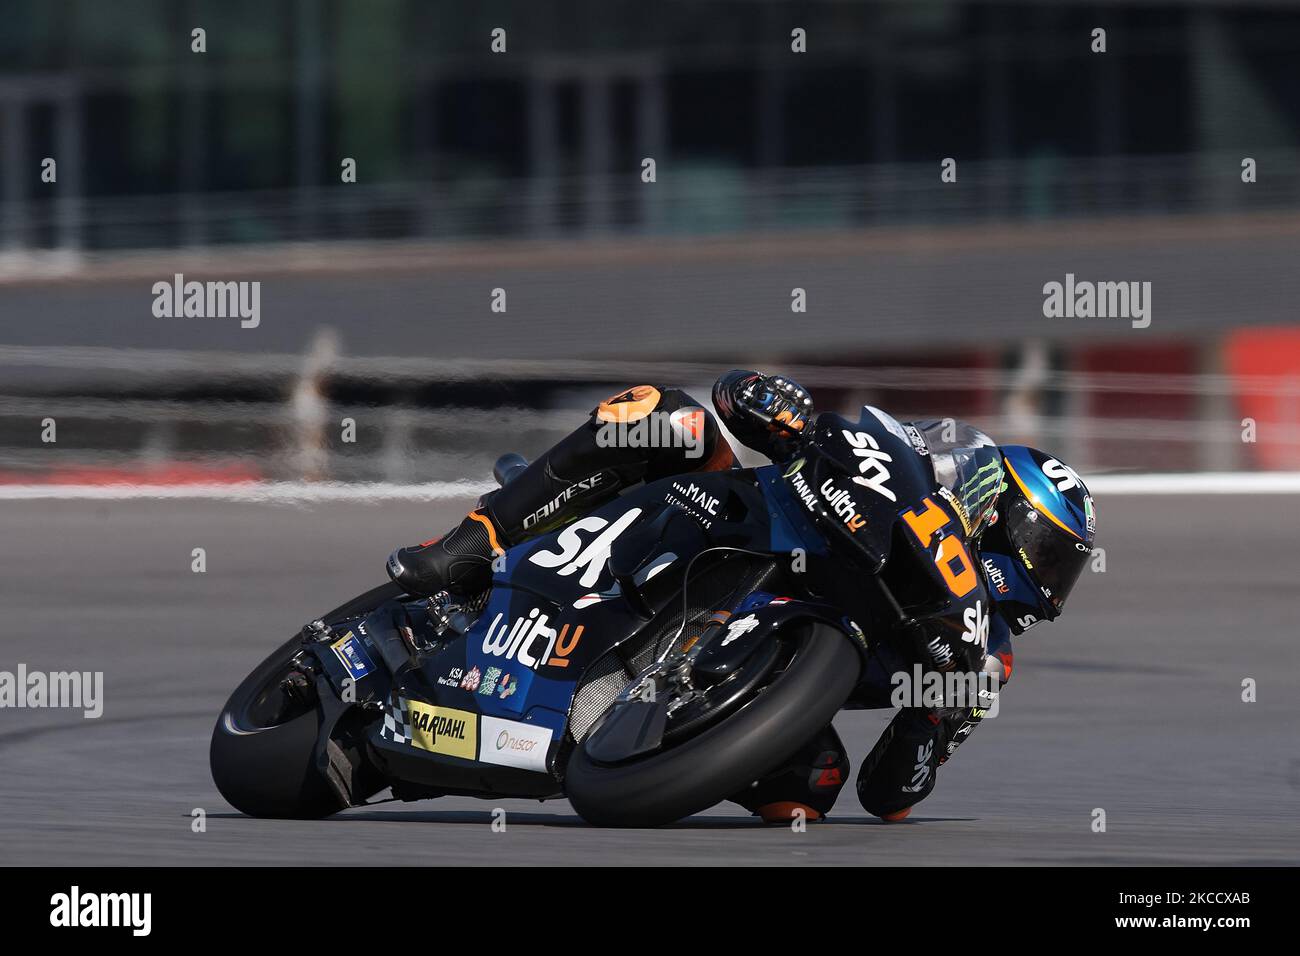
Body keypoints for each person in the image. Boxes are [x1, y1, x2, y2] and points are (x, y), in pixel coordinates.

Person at [386, 370, 1097, 823]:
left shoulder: (983, 659)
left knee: (808, 791)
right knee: (668, 415)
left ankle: (651, 744)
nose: (1049, 585)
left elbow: (891, 797)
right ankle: (472, 541)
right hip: (722, 520)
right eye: (1050, 557)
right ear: (999, 512)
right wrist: (776, 407)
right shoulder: (916, 476)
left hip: (752, 670)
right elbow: (745, 397)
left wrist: (930, 725)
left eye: (1063, 570)